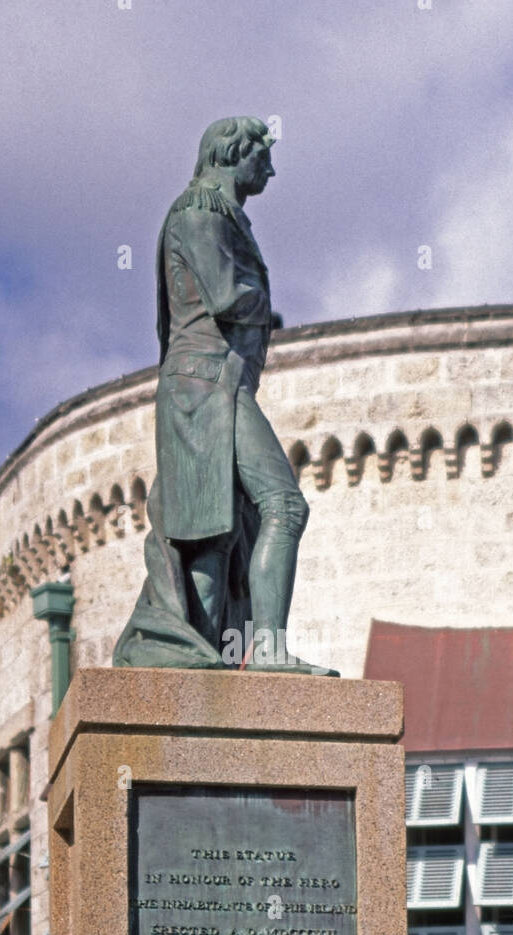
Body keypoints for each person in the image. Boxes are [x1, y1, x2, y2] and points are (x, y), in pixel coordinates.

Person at [113, 116, 336, 675]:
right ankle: (269, 652)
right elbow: (228, 294)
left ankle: (208, 658)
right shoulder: (199, 214)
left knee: (215, 539)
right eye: (264, 156)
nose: (272, 168)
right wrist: (265, 309)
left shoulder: (216, 214)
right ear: (233, 154)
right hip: (209, 386)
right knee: (282, 506)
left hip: (213, 384)